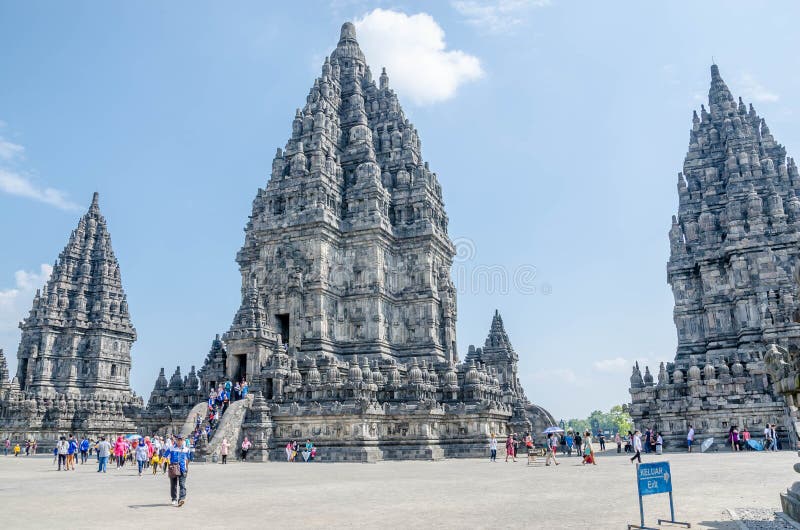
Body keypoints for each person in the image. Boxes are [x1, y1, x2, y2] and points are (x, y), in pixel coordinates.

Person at [168, 434, 189, 507]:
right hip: (173, 468)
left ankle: (181, 499)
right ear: (176, 440)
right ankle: (174, 498)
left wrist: (187, 469)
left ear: (183, 441)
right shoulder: (171, 448)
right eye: (178, 440)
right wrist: (162, 462)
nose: (180, 441)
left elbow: (187, 460)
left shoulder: (186, 449)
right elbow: (165, 455)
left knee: (182, 484)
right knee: (173, 485)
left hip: (183, 469)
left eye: (181, 440)